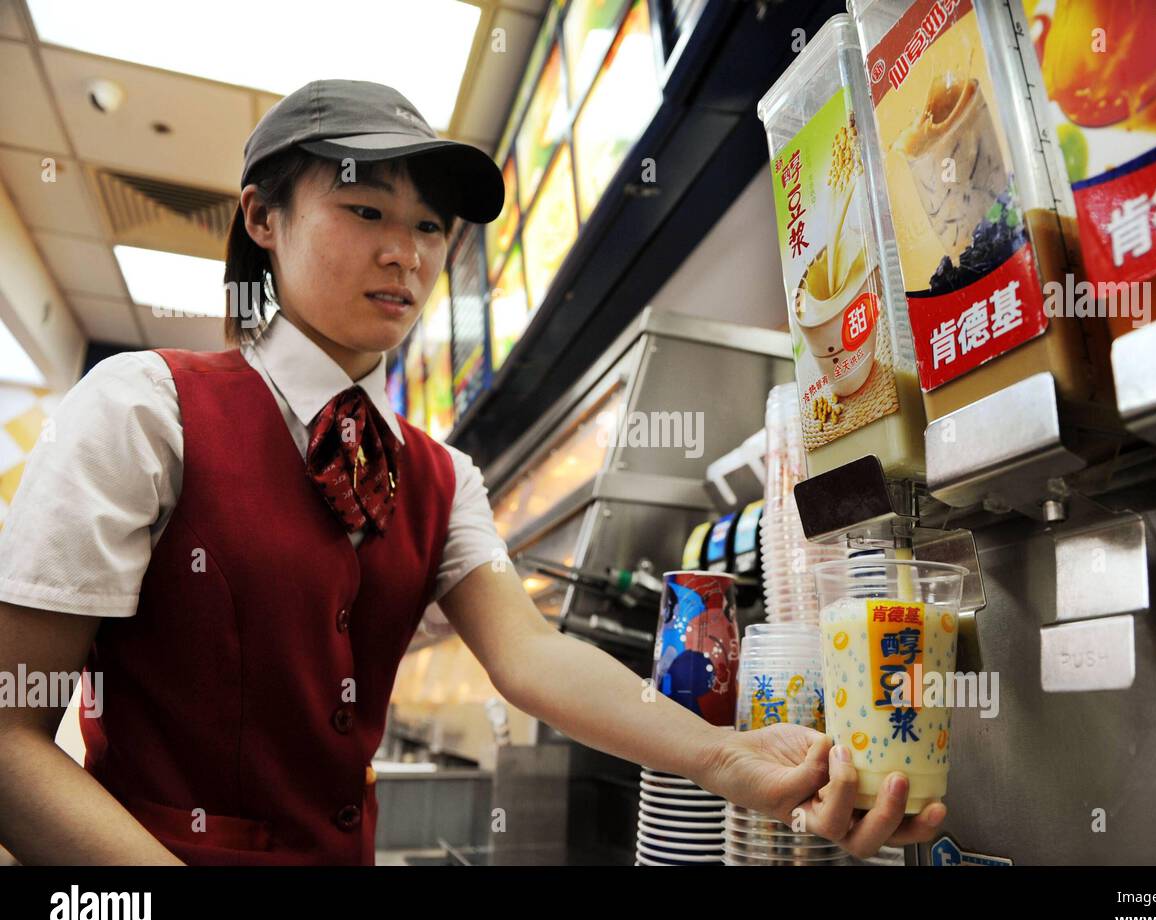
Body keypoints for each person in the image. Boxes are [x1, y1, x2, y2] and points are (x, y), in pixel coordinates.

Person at [0, 79, 947, 864]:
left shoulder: (438, 475)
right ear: (262, 218)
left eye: (429, 227)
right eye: (366, 210)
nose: (405, 255)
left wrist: (726, 757)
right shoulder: (142, 410)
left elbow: (530, 655)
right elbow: (10, 741)